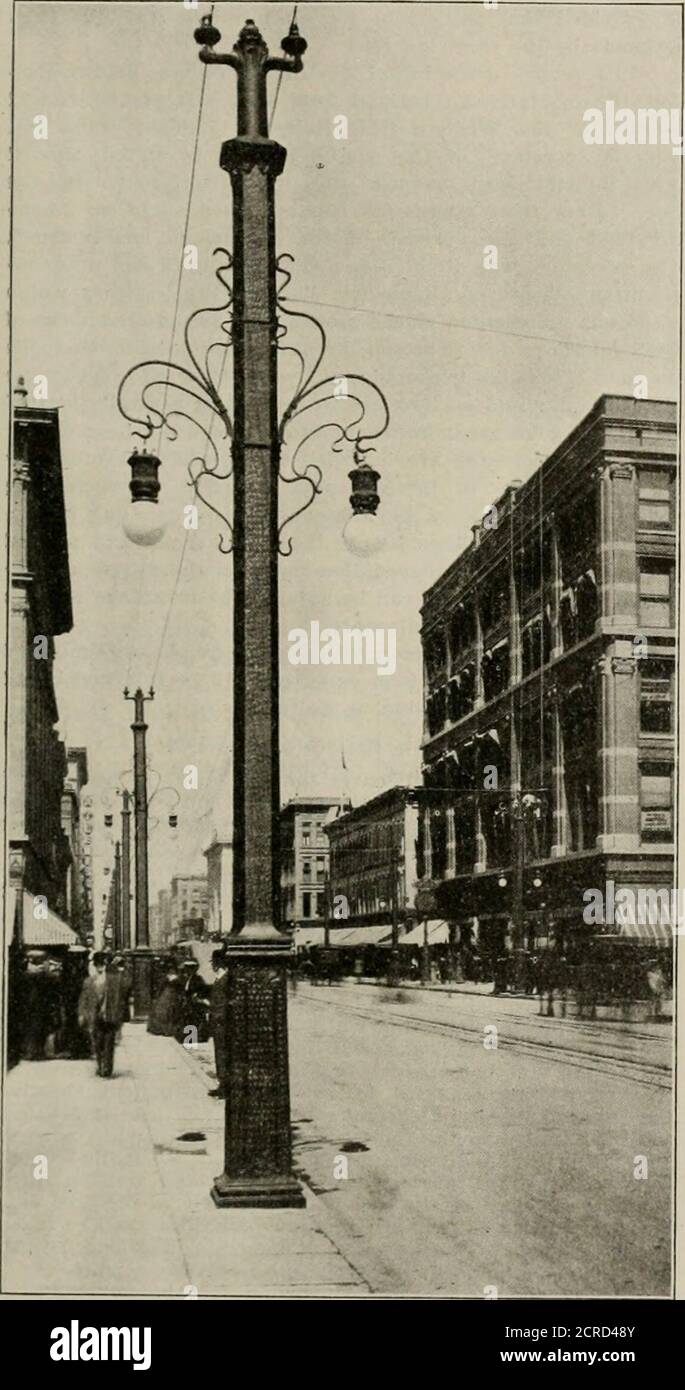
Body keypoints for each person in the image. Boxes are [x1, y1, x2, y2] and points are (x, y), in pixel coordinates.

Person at [78, 952, 129, 1077]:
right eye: (98, 965)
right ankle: (101, 1064)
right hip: (95, 1017)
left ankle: (107, 1067)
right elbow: (83, 999)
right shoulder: (89, 981)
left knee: (109, 1042)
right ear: (95, 966)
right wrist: (82, 1014)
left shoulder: (114, 979)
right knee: (97, 1042)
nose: (100, 967)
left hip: (110, 1015)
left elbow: (127, 985)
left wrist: (119, 969)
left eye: (102, 965)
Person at [208, 950, 229, 1099]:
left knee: (223, 1054)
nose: (213, 965)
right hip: (218, 1023)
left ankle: (225, 1086)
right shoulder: (220, 978)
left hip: (223, 1024)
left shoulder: (225, 979)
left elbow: (223, 1004)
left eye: (214, 962)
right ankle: (222, 1084)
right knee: (219, 1054)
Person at [147, 959, 183, 1037]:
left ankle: (167, 1029)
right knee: (165, 1011)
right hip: (167, 994)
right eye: (170, 969)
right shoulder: (171, 977)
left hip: (169, 994)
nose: (171, 970)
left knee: (168, 1011)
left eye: (172, 969)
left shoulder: (172, 978)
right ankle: (165, 1029)